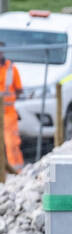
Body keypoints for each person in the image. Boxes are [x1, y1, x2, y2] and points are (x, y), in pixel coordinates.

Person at [1, 41, 23, 174]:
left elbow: (19, 89)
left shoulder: (11, 68)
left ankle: (16, 172)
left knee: (11, 143)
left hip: (8, 113)